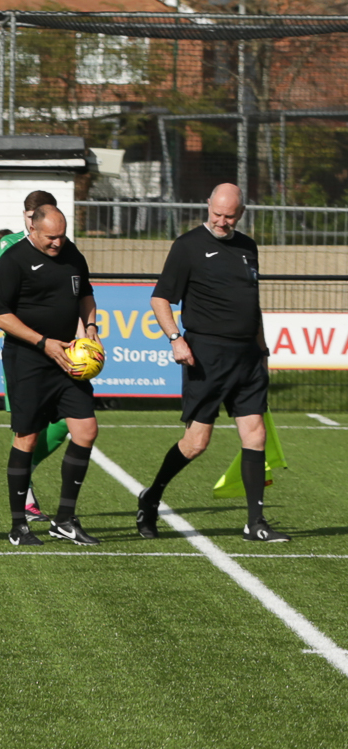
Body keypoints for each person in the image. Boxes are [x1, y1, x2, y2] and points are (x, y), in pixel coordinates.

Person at [138, 183, 287, 543]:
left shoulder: (248, 247)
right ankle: (152, 496)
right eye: (217, 214)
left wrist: (262, 349)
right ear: (208, 205)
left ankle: (255, 522)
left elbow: (252, 303)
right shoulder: (187, 246)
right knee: (196, 443)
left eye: (229, 216)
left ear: (242, 213)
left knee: (256, 434)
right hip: (207, 356)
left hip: (248, 359)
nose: (222, 221)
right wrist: (176, 339)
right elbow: (160, 299)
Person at [0, 205, 102, 546]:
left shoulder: (71, 254)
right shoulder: (13, 260)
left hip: (68, 358)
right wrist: (43, 342)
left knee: (86, 430)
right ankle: (18, 525)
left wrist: (92, 328)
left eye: (61, 235)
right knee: (28, 437)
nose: (57, 242)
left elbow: (85, 294)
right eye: (50, 237)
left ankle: (65, 519)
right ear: (33, 230)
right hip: (28, 360)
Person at [0, 191, 66, 522]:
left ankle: (27, 470)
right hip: (24, 353)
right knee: (26, 428)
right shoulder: (11, 246)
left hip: (60, 351)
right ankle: (25, 499)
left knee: (67, 424)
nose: (28, 221)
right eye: (27, 215)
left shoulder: (61, 245)